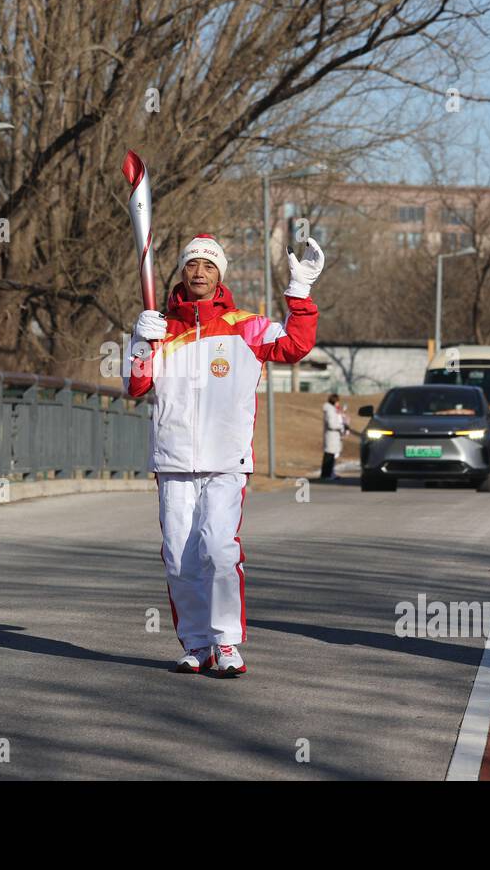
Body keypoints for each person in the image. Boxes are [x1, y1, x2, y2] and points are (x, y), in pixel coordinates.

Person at [126, 233, 323, 676]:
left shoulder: (245, 325)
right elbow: (136, 385)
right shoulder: (159, 327)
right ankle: (196, 644)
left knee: (218, 548)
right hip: (173, 459)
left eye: (209, 266)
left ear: (220, 275)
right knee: (179, 555)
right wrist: (141, 342)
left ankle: (227, 642)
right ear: (182, 271)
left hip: (226, 460)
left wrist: (301, 295)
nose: (199, 272)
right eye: (192, 264)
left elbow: (295, 346)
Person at [321, 393, 349, 479]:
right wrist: (341, 426)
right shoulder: (330, 410)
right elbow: (331, 424)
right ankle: (326, 474)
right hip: (331, 436)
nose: (338, 403)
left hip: (334, 436)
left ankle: (329, 474)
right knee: (329, 456)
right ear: (334, 401)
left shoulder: (332, 410)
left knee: (331, 456)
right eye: (337, 401)